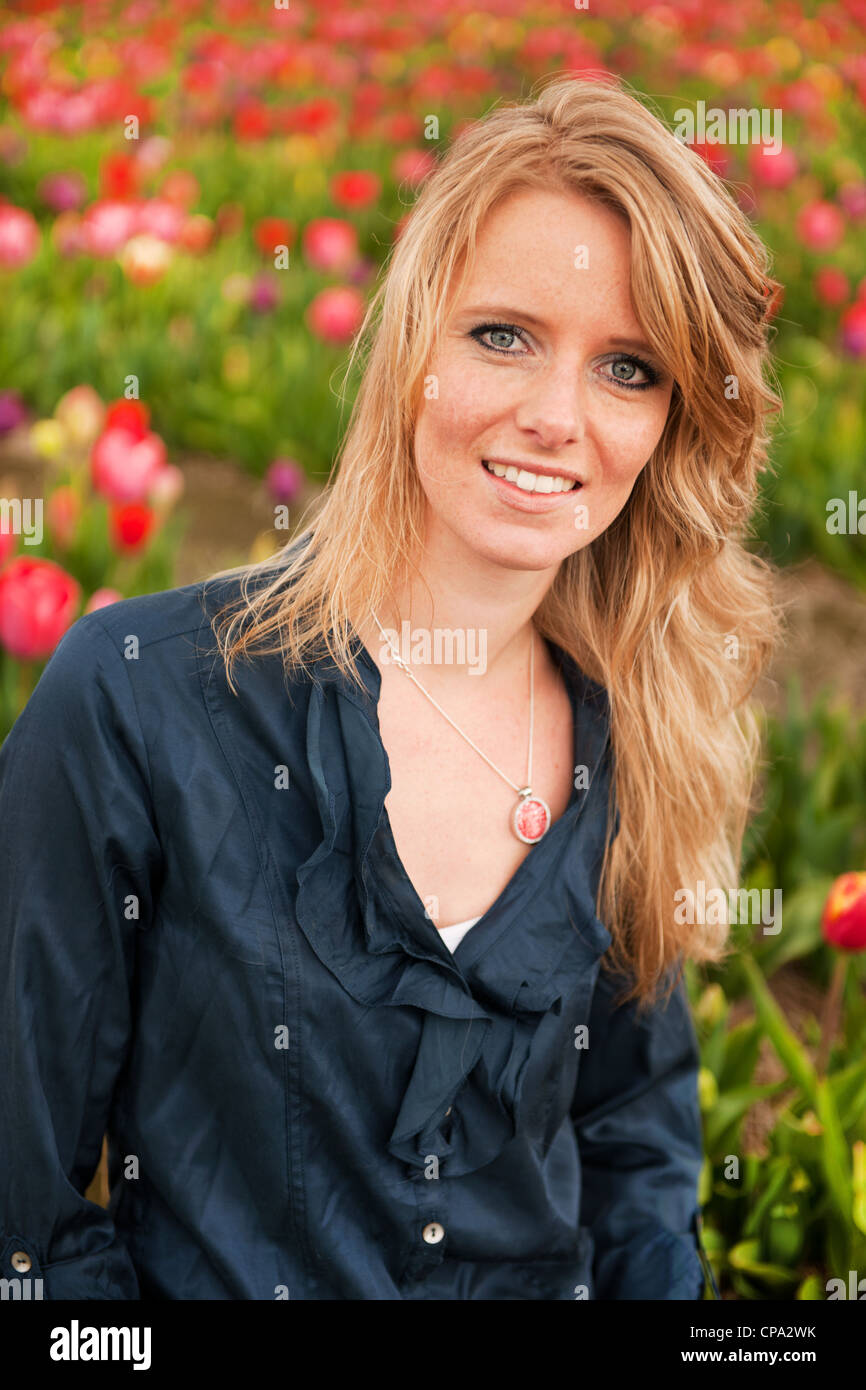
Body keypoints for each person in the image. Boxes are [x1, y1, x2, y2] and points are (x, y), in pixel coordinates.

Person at [0, 74, 782, 1300]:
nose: (553, 417)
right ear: (411, 342)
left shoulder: (638, 734)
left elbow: (632, 1135)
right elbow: (25, 1224)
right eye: (502, 335)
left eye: (627, 367)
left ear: (674, 422)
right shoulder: (137, 703)